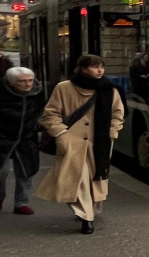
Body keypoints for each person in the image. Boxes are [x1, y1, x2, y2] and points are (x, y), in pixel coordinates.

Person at [36, 54, 125, 234]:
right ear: (83, 69)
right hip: (71, 140)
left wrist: (112, 132)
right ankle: (87, 218)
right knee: (78, 178)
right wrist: (61, 133)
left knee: (95, 178)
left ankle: (90, 209)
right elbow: (50, 114)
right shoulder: (64, 88)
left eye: (102, 67)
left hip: (99, 141)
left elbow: (118, 113)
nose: (100, 70)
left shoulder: (109, 89)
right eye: (95, 67)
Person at [0, 66, 45, 215]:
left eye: (30, 80)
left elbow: (43, 109)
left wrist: (38, 122)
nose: (28, 84)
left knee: (26, 171)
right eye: (22, 81)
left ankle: (22, 202)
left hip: (26, 136)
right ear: (11, 82)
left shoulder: (37, 92)